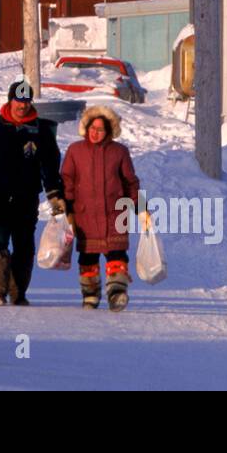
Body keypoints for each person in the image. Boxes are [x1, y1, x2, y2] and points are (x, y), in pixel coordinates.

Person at [0, 80, 64, 306]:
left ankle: (18, 293)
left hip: (27, 200)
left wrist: (55, 195)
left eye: (27, 101)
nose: (22, 106)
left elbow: (50, 167)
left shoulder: (42, 132)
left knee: (24, 245)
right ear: (10, 100)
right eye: (19, 101)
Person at [60, 104, 141, 311]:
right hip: (85, 215)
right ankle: (90, 294)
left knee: (117, 255)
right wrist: (66, 206)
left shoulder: (119, 152)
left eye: (100, 130)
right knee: (88, 258)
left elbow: (130, 182)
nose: (95, 133)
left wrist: (140, 207)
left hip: (115, 214)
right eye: (92, 129)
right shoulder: (75, 151)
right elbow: (67, 179)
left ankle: (117, 294)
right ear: (86, 128)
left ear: (109, 131)